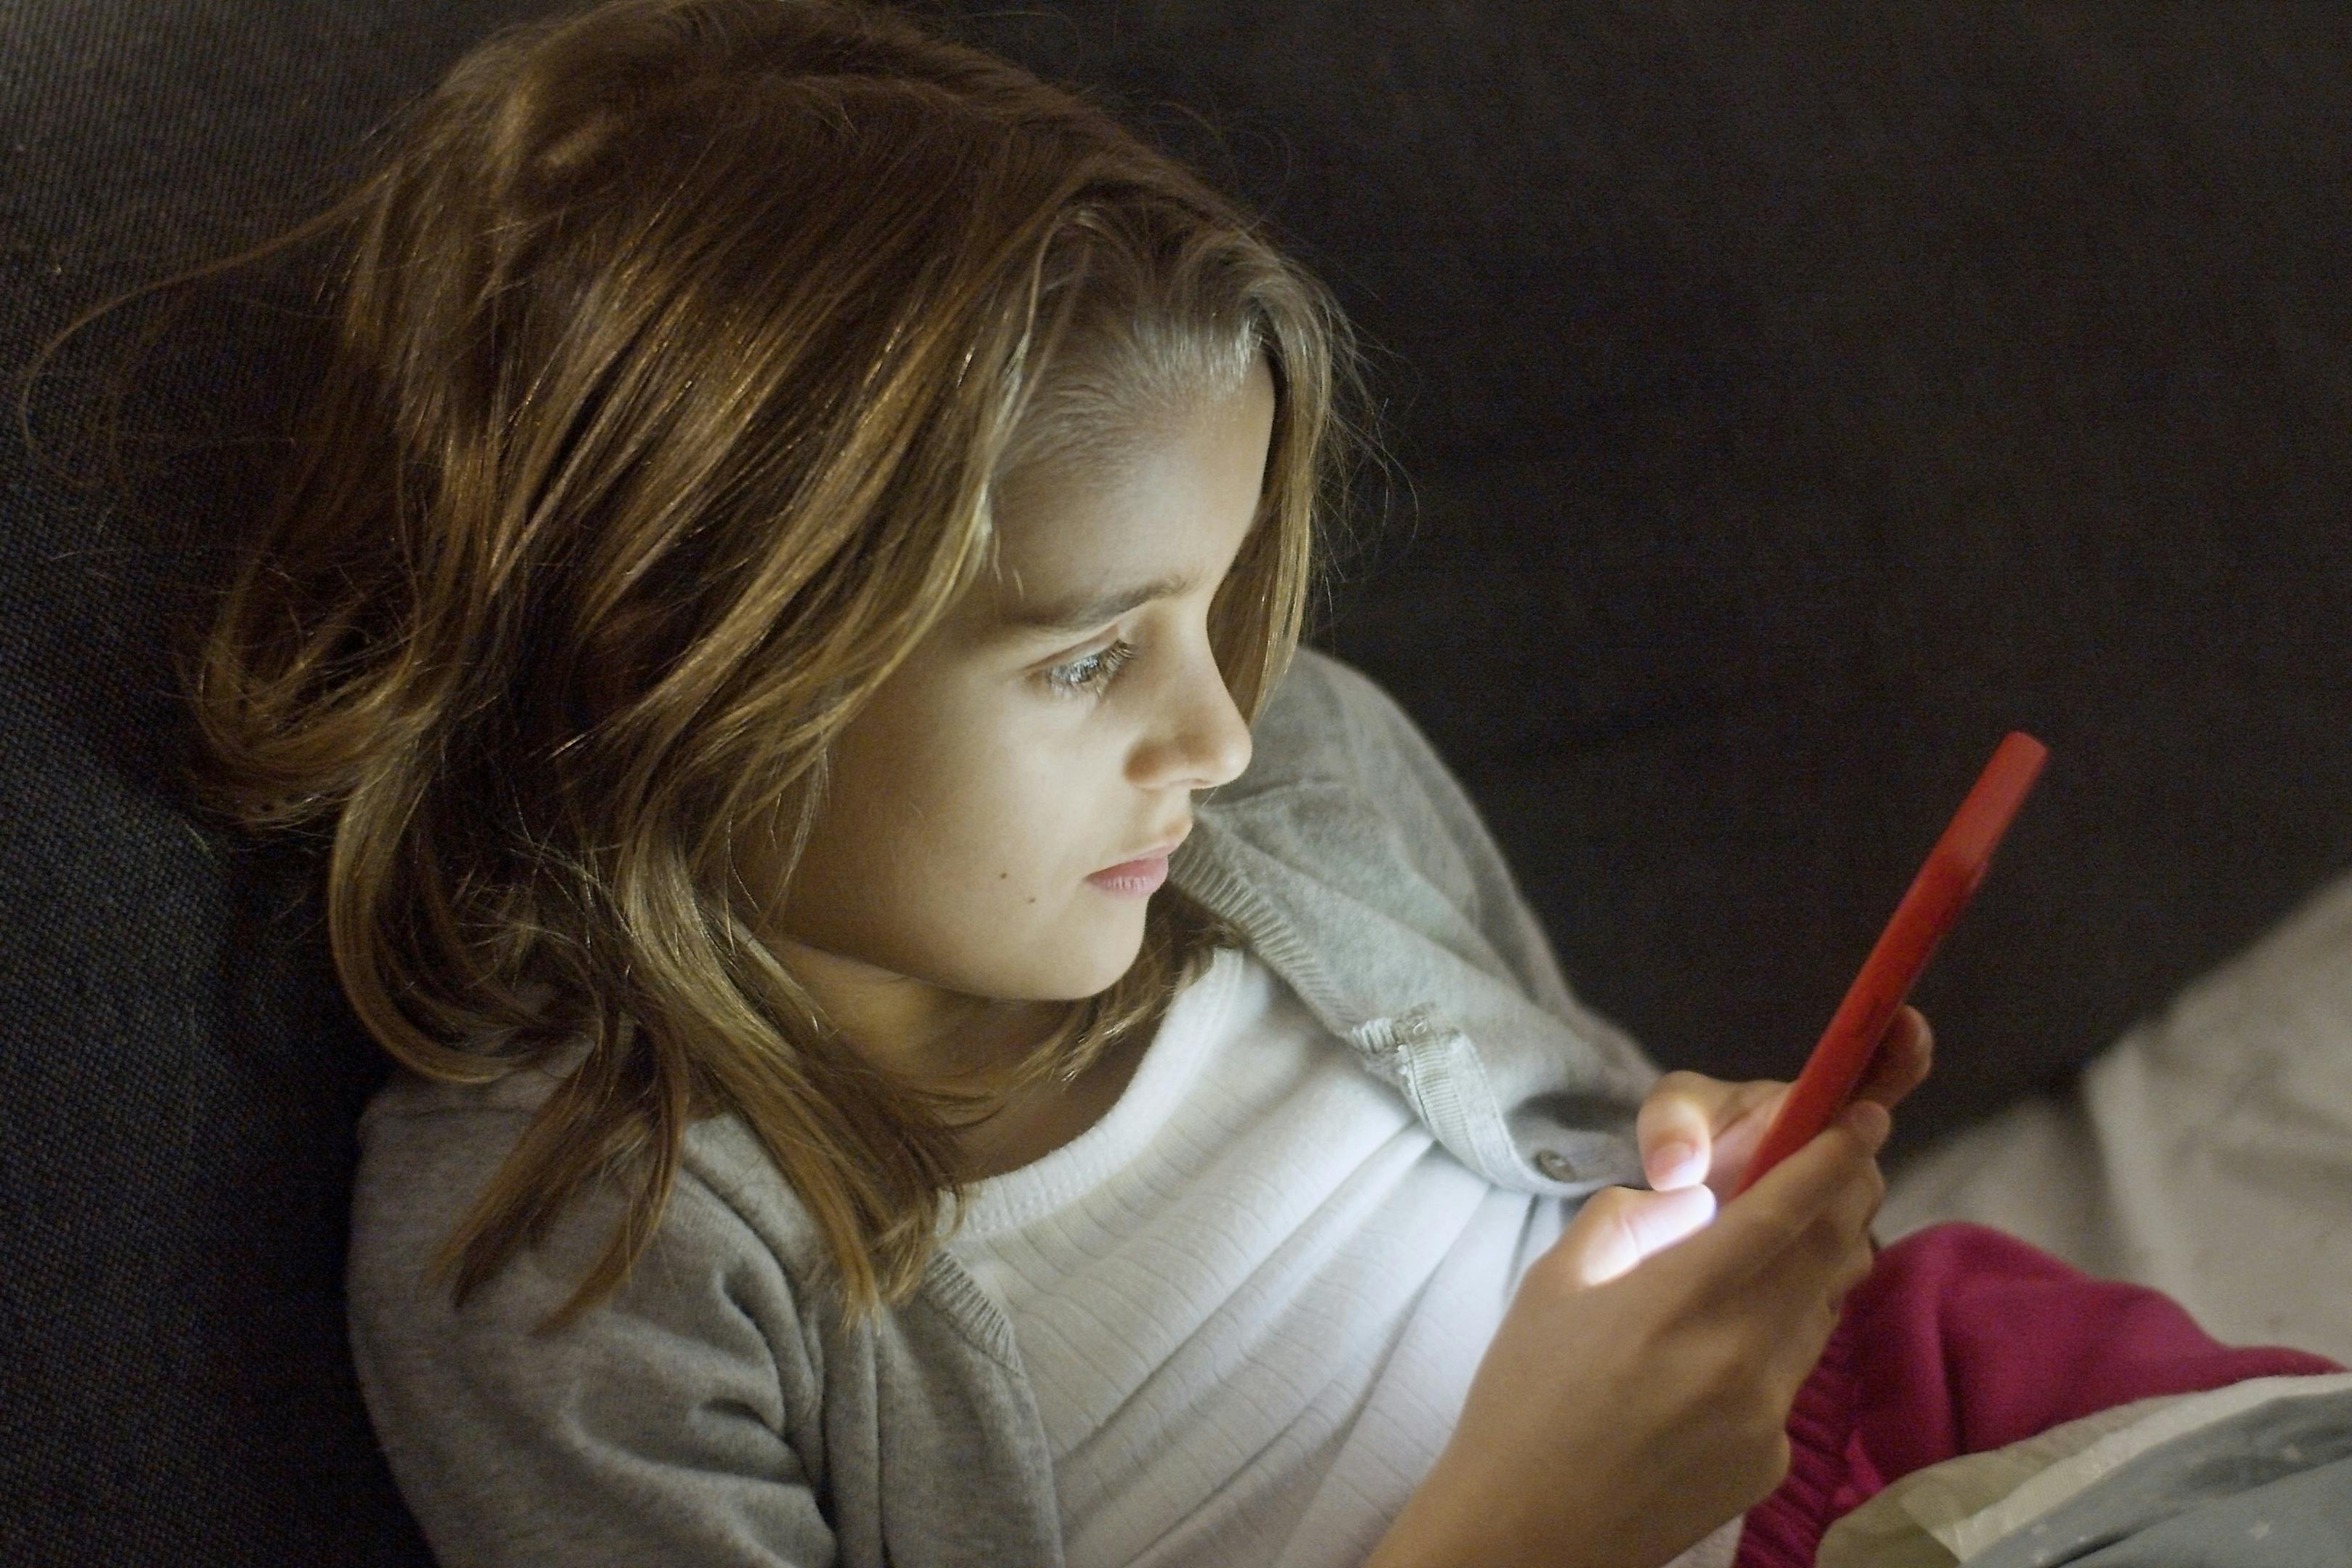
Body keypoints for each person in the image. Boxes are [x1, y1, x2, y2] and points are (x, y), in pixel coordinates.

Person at [131, 1, 2335, 1564]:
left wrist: (1681, 1163)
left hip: (1875, 1402)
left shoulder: (1296, 792)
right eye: (1093, 652)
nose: (1219, 730)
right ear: (697, 652)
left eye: (1215, 610)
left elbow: (1559, 1127)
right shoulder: (571, 1259)